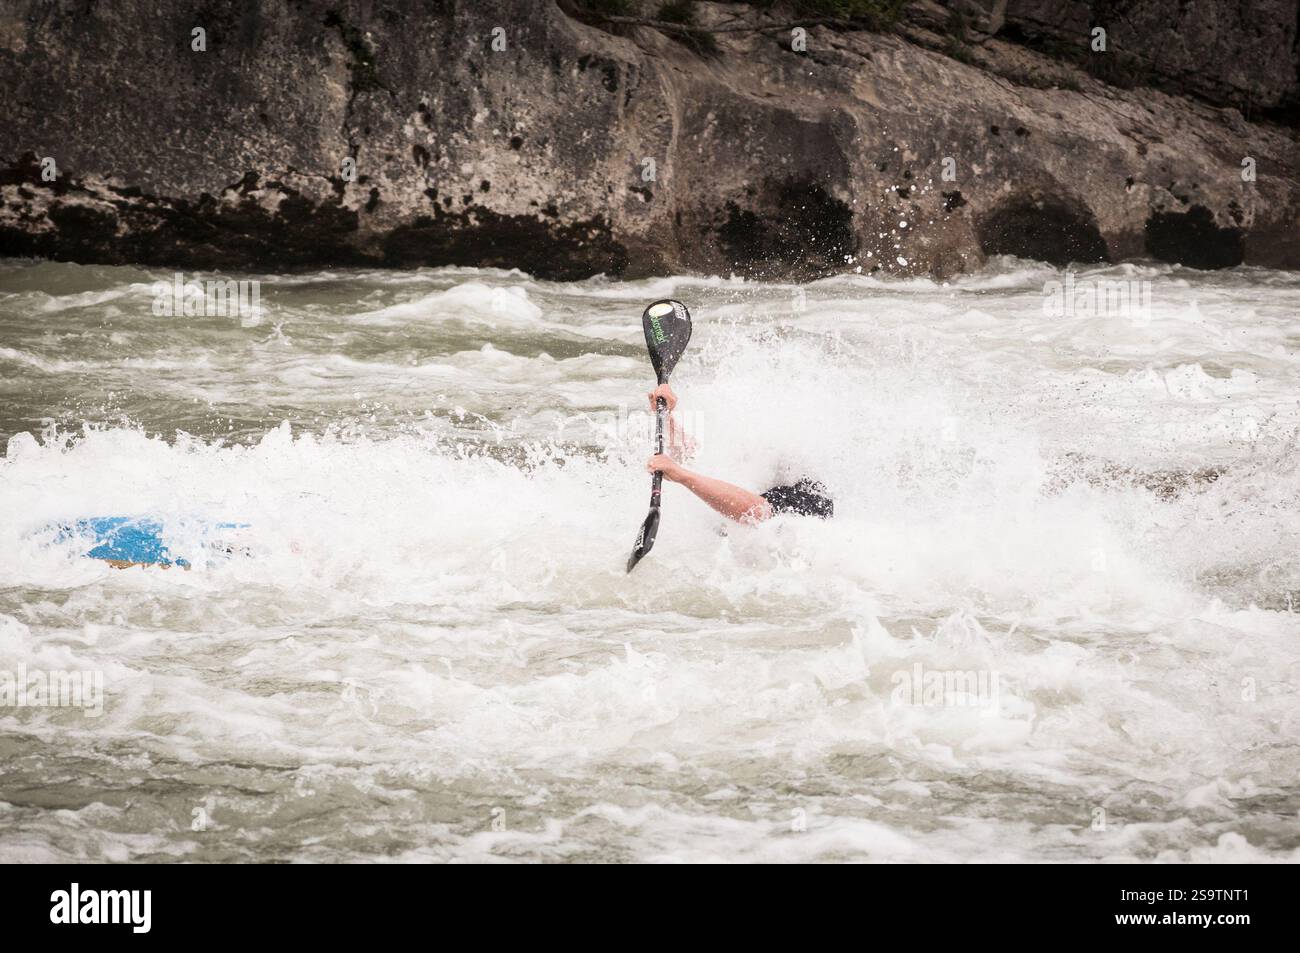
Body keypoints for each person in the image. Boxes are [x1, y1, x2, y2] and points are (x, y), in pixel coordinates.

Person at [645, 383, 833, 523]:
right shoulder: (753, 463)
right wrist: (666, 416)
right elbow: (694, 459)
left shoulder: (808, 498)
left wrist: (682, 476)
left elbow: (753, 512)